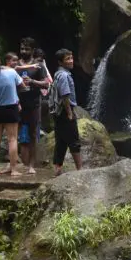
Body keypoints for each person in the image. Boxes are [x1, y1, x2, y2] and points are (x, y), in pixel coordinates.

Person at [16, 38, 50, 175]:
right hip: (18, 104)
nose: (24, 51)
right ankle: (19, 165)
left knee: (32, 134)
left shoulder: (38, 66)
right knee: (17, 136)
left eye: (27, 49)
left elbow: (46, 84)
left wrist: (32, 81)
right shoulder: (16, 65)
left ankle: (31, 165)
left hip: (34, 104)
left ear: (33, 50)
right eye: (22, 49)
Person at [52, 48, 83, 176]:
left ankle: (57, 168)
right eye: (67, 59)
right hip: (65, 111)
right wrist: (70, 113)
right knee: (74, 140)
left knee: (61, 140)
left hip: (57, 112)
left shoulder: (58, 73)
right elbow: (65, 95)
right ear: (60, 62)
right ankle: (80, 170)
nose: (71, 61)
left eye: (71, 58)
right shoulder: (64, 76)